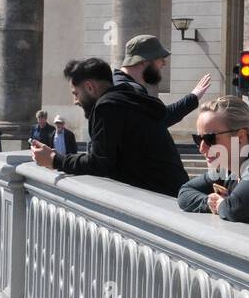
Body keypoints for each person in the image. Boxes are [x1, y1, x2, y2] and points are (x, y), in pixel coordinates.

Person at [29, 57, 188, 197]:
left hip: (160, 201)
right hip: (170, 195)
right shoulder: (125, 101)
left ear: (90, 87)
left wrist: (54, 160)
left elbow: (100, 163)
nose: (75, 101)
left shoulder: (107, 108)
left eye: (75, 93)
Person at [178, 96, 249, 225]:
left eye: (210, 139)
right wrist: (209, 202)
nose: (202, 148)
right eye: (198, 139)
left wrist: (221, 205)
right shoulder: (229, 168)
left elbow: (236, 209)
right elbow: (184, 192)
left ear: (240, 136)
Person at [115, 34, 212, 127]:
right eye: (160, 58)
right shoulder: (129, 91)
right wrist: (193, 97)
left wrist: (193, 97)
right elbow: (160, 119)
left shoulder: (115, 83)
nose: (164, 63)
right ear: (143, 61)